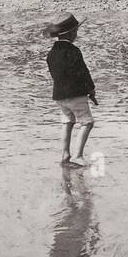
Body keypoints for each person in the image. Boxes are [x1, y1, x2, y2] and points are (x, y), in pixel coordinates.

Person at [45, 12, 97, 166]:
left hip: (59, 96)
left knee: (67, 122)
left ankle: (65, 154)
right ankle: (78, 156)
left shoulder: (51, 54)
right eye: (76, 31)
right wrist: (91, 90)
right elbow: (84, 72)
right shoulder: (74, 51)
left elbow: (55, 75)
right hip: (76, 94)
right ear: (72, 33)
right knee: (87, 123)